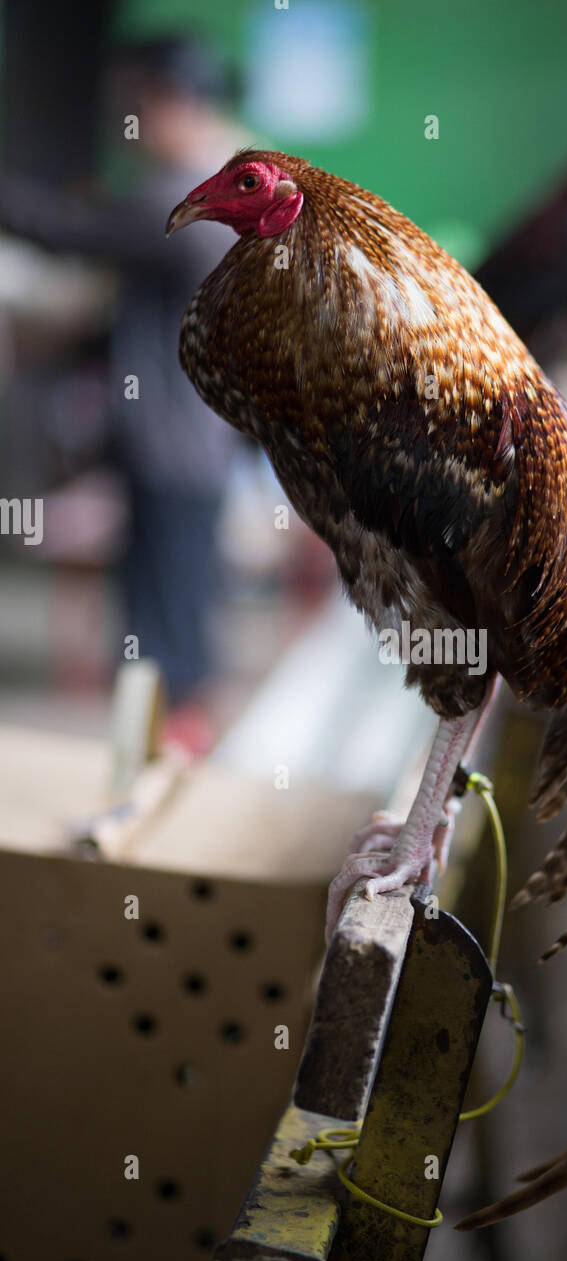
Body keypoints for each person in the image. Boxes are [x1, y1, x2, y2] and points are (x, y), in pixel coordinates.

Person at [0, 36, 250, 751]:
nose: (128, 123)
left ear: (174, 104)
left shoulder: (192, 197)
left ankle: (157, 775)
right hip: (185, 446)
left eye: (139, 105)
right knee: (173, 616)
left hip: (173, 448)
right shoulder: (215, 186)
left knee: (163, 630)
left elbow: (66, 229)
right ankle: (162, 763)